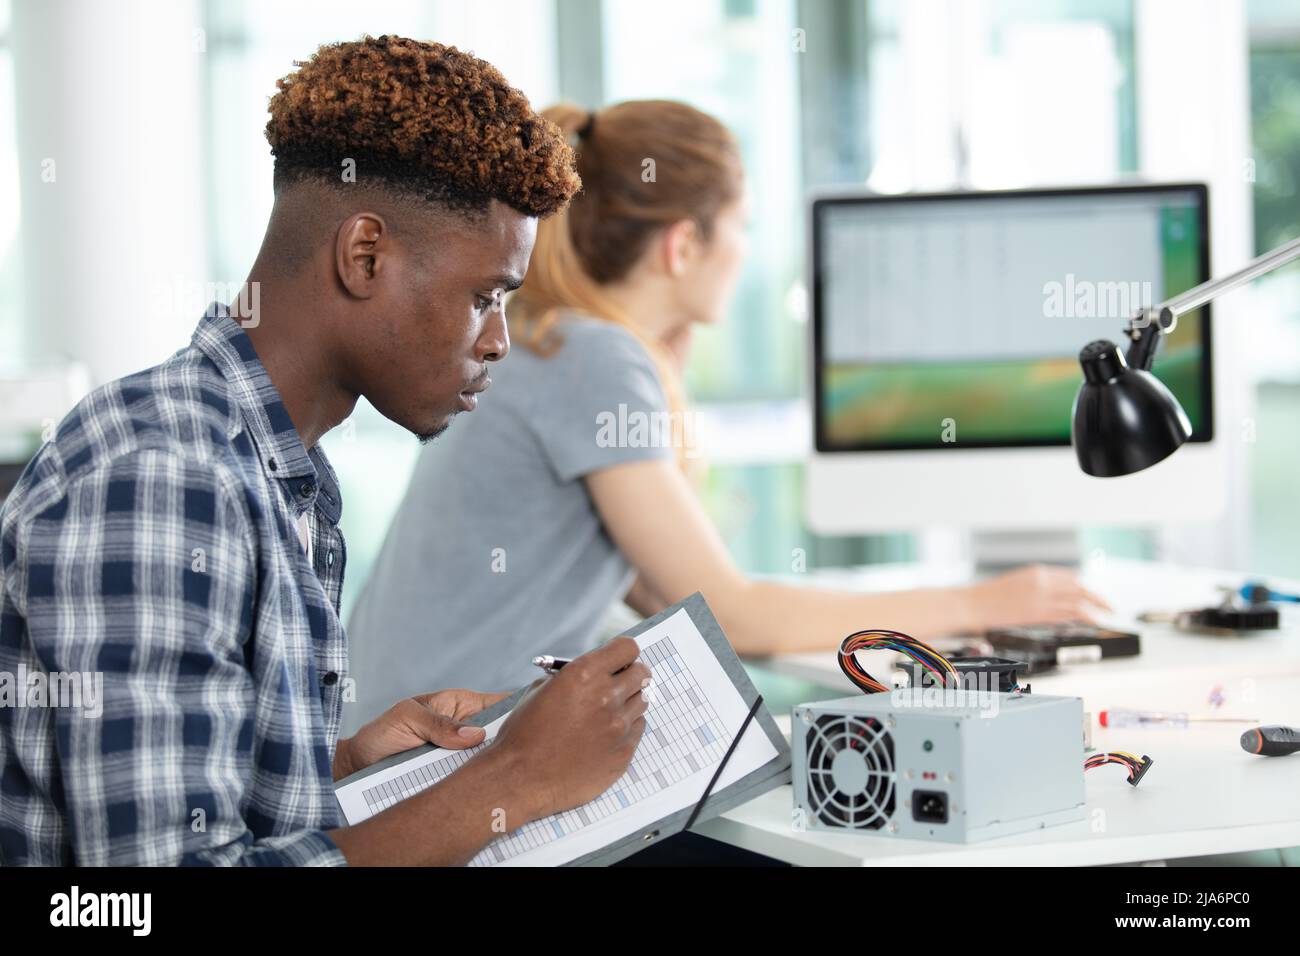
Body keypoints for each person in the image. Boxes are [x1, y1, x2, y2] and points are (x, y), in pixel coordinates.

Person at [0, 36, 650, 867]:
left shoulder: (277, 476)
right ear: (365, 255)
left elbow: (207, 815)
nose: (498, 343)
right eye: (484, 297)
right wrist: (514, 779)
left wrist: (339, 771)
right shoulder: (163, 475)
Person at [344, 99, 1110, 723]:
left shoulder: (556, 340)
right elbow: (729, 615)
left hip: (398, 748)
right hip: (434, 773)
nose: (746, 251)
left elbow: (667, 594)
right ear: (683, 246)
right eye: (741, 225)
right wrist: (990, 600)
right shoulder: (594, 358)